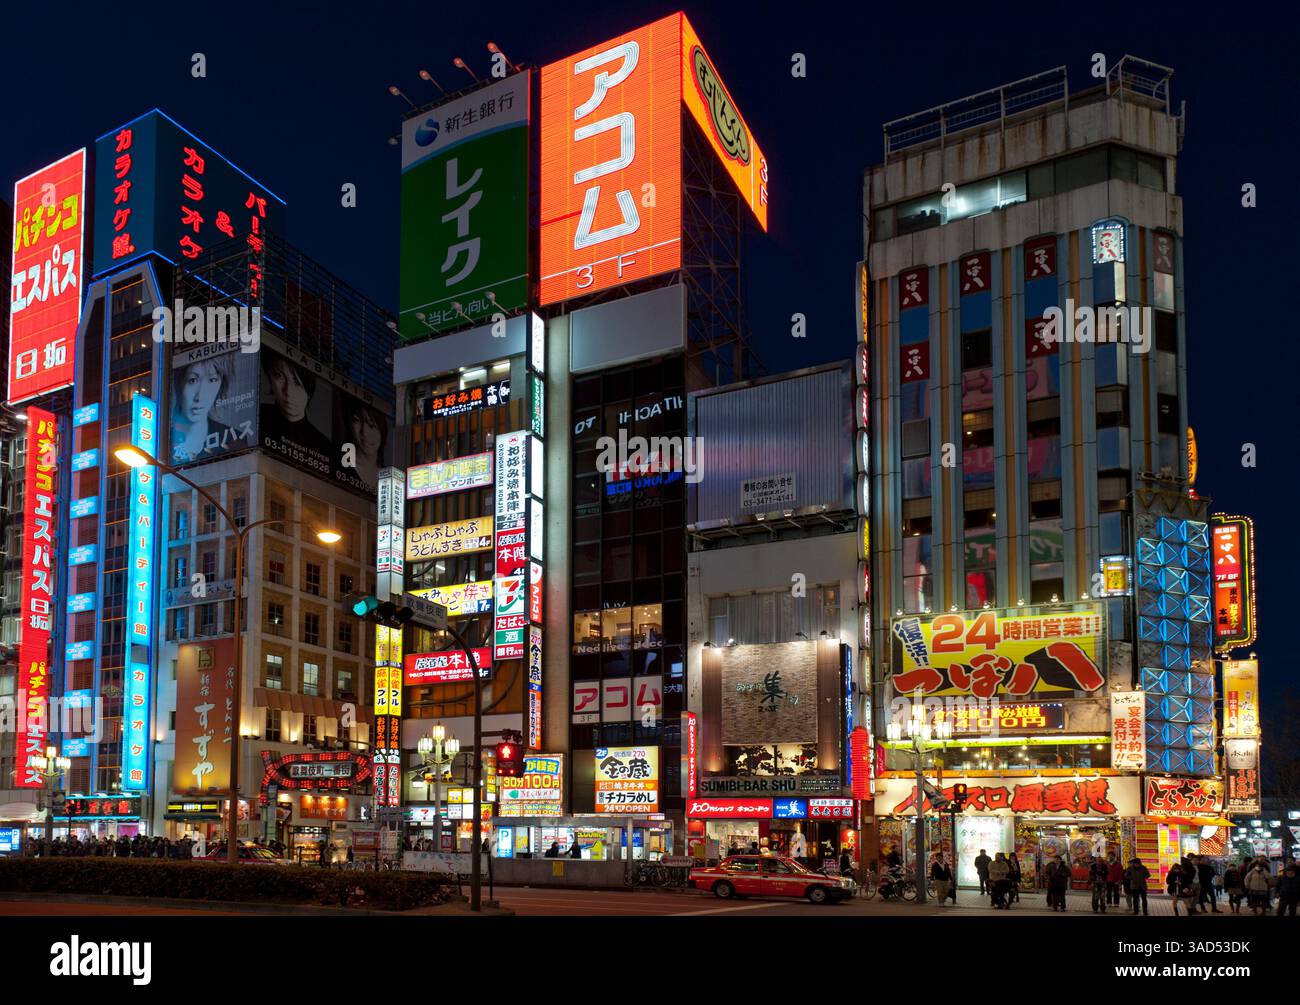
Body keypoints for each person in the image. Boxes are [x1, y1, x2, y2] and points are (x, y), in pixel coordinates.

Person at [261, 352, 332, 463]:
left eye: (296, 381)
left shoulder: (324, 447)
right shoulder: (256, 420)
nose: (288, 391)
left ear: (309, 385)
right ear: (269, 377)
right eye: (278, 376)